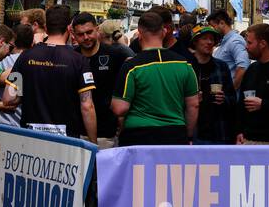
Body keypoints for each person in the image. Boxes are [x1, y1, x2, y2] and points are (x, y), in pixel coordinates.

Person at [4, 5, 97, 142]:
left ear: (46, 28)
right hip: (66, 141)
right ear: (69, 28)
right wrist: (93, 142)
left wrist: (27, 92)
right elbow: (87, 106)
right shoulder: (79, 61)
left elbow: (8, 98)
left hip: (31, 138)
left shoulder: (25, 57)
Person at [112, 11, 199, 146]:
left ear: (139, 35)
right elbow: (193, 105)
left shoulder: (131, 66)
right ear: (163, 32)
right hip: (175, 134)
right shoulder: (185, 64)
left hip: (138, 136)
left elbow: (119, 108)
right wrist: (188, 135)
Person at [71, 11, 133, 147]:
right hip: (75, 133)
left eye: (89, 32)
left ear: (97, 30)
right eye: (81, 34)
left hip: (106, 133)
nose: (86, 37)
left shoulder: (114, 55)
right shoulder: (71, 56)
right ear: (73, 35)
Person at [190, 24, 236, 144]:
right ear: (195, 41)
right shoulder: (187, 67)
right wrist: (192, 99)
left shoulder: (221, 66)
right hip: (195, 132)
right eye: (204, 38)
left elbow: (233, 98)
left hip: (219, 132)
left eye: (212, 39)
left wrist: (224, 99)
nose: (209, 42)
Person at [207, 9, 249, 91]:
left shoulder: (235, 41)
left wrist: (231, 92)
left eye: (213, 26)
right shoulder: (225, 41)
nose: (212, 29)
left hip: (230, 99)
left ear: (222, 23)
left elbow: (243, 67)